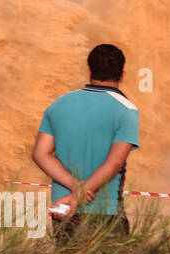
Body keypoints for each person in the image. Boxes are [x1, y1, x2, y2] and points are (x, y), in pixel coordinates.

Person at [31, 43, 139, 239]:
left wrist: (74, 187)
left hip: (63, 209)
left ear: (89, 71)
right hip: (105, 210)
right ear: (122, 75)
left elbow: (40, 154)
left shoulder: (59, 104)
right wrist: (79, 195)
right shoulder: (127, 110)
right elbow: (114, 162)